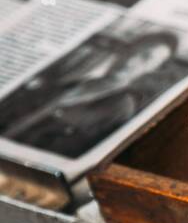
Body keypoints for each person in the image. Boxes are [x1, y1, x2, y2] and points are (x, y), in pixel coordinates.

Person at [0, 31, 178, 157]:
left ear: (154, 68)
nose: (131, 60)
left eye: (146, 57)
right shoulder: (72, 82)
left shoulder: (119, 106)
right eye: (132, 50)